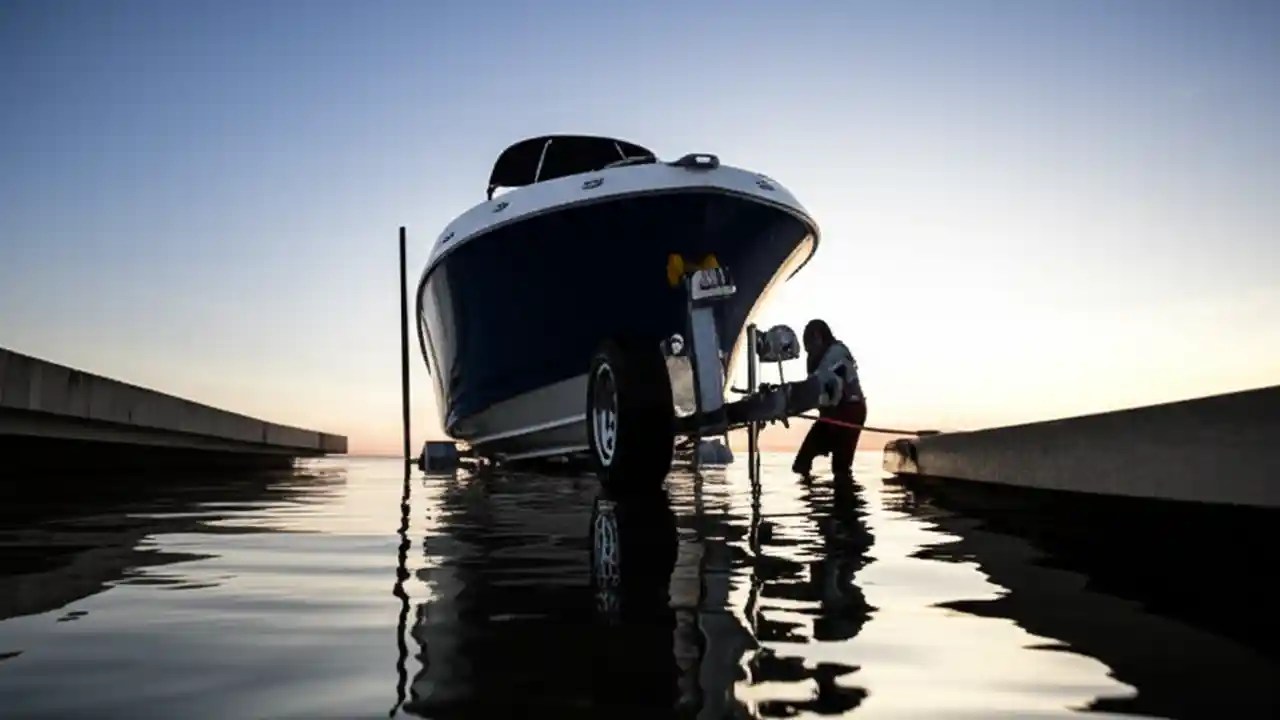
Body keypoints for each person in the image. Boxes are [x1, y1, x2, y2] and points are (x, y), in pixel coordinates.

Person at [791, 319, 867, 478]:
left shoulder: (835, 353)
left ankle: (843, 499)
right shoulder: (816, 359)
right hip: (831, 414)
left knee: (840, 467)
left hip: (850, 412)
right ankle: (810, 498)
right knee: (802, 462)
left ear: (818, 337)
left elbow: (829, 385)